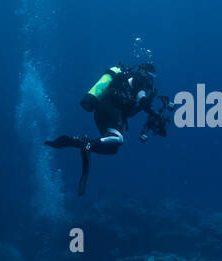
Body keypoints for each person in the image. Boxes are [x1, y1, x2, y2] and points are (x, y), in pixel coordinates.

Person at [45, 62, 169, 194]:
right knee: (119, 139)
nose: (151, 79)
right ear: (143, 71)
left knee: (112, 149)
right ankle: (88, 143)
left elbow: (132, 110)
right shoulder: (139, 81)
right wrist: (154, 113)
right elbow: (142, 100)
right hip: (112, 111)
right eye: (150, 75)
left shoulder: (127, 80)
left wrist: (146, 107)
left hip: (102, 113)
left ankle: (78, 142)